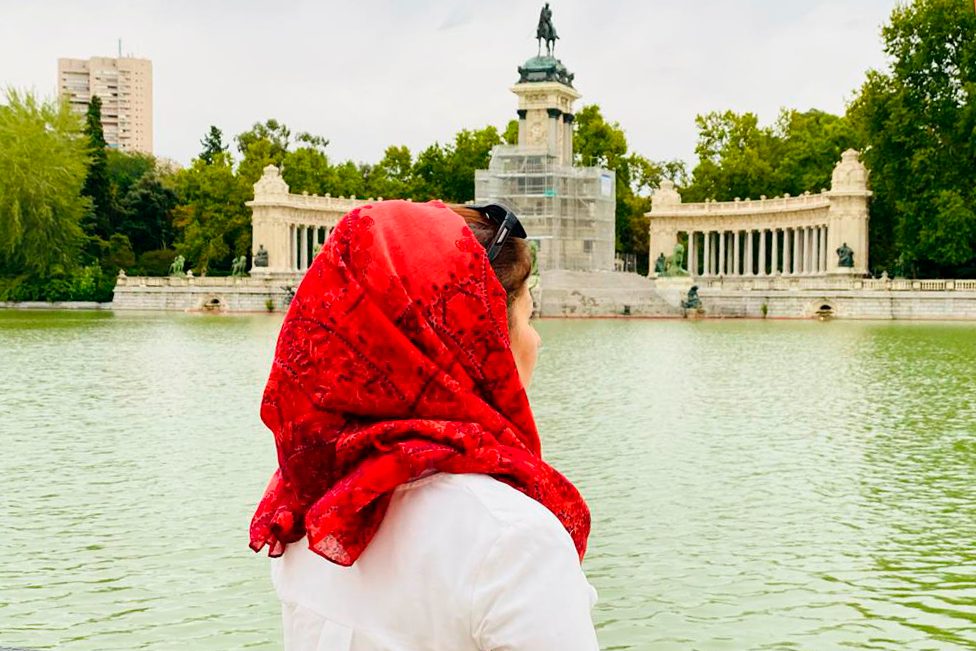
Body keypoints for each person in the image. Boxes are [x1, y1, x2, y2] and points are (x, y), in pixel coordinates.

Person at [249, 200, 598, 650]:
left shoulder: (307, 505)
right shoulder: (513, 541)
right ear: (478, 337)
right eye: (529, 317)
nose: (536, 339)